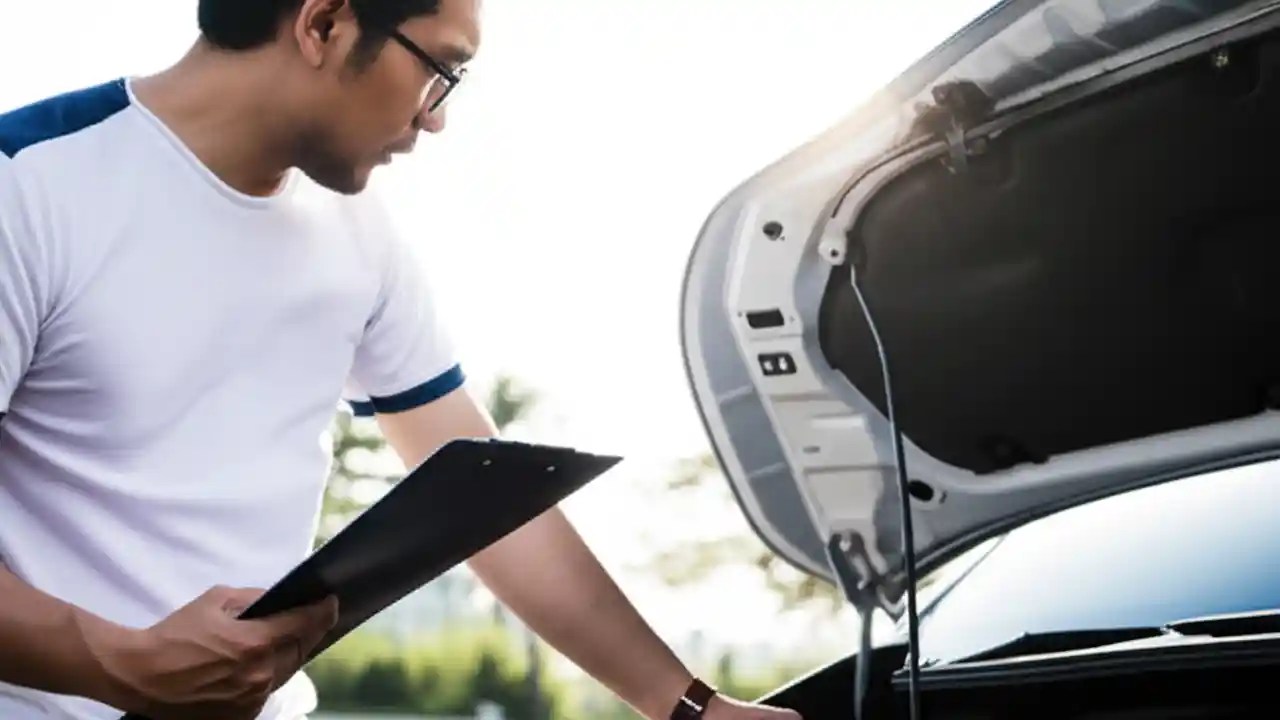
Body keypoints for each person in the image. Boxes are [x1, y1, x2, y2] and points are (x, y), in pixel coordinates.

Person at [0, 1, 806, 719]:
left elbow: (490, 505)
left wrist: (691, 709)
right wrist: (117, 663)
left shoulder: (361, 238)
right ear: (323, 24)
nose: (436, 118)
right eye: (442, 68)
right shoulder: (28, 188)